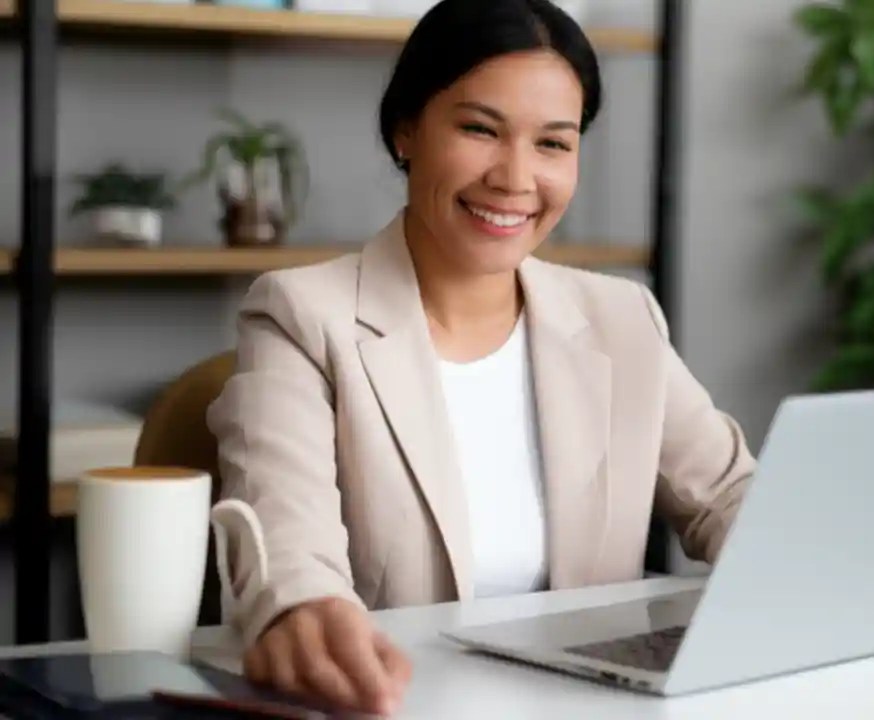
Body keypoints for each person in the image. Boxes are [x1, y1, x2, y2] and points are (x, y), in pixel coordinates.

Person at [205, 0, 756, 714]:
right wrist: (301, 608)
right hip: (397, 701)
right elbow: (286, 539)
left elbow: (731, 497)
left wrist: (812, 561)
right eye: (479, 129)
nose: (515, 178)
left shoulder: (621, 319)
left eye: (552, 144)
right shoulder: (301, 316)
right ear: (406, 129)